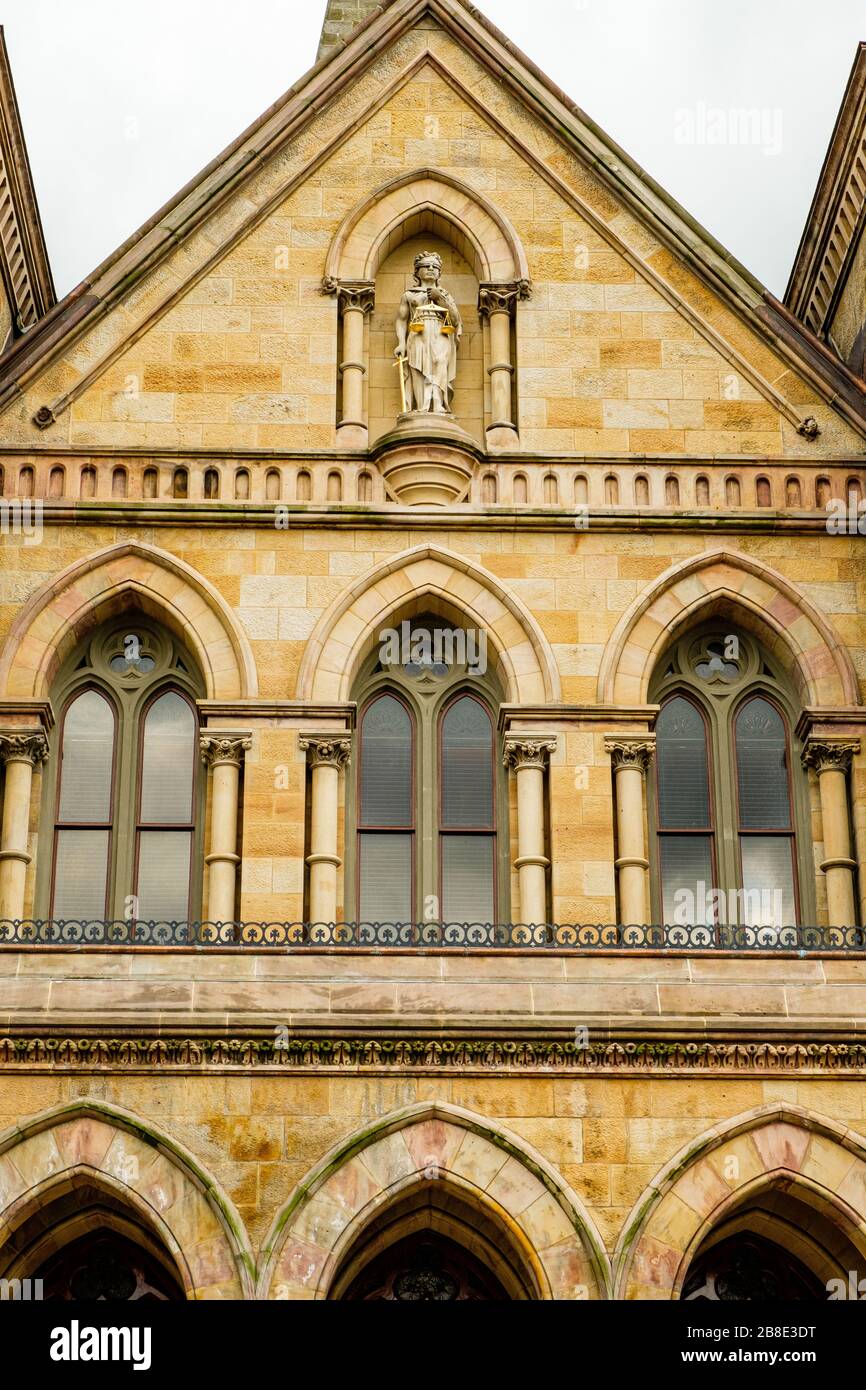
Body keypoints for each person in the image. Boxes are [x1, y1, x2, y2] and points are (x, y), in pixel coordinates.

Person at [395, 251, 463, 413]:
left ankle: (438, 404)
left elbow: (455, 320)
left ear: (439, 273)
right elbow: (402, 319)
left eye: (435, 266)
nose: (431, 269)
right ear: (417, 272)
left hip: (441, 332)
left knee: (439, 362)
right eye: (426, 266)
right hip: (418, 332)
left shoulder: (445, 295)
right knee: (418, 368)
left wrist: (440, 299)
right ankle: (422, 407)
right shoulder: (409, 294)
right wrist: (401, 343)